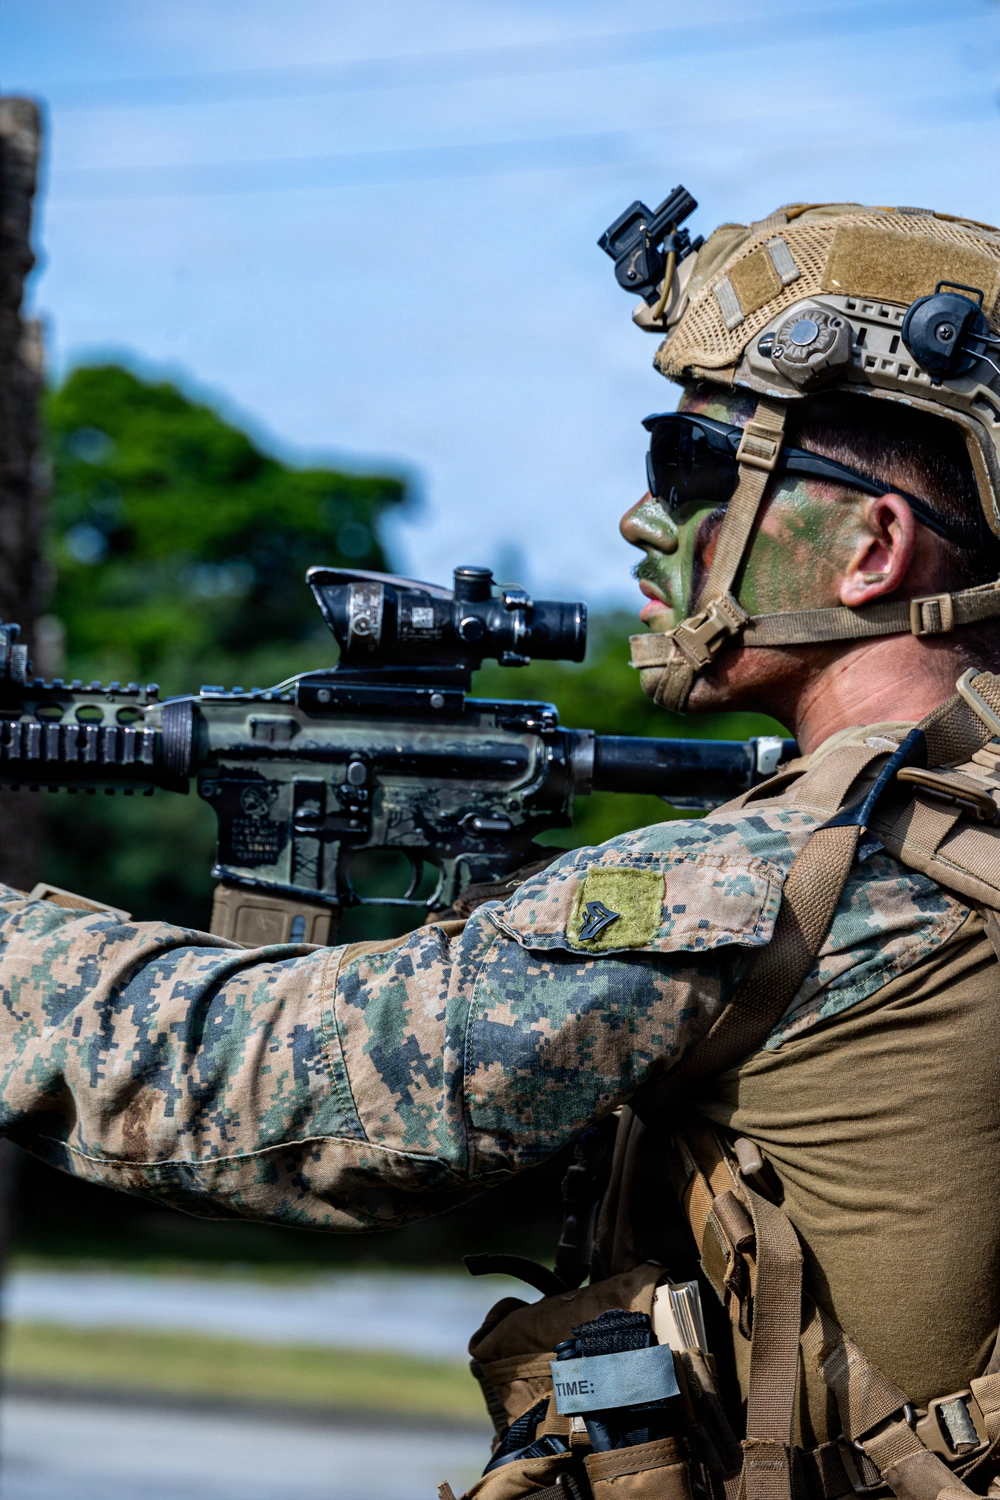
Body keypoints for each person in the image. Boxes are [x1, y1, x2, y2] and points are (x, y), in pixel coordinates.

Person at [6, 200, 1000, 1499]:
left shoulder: (788, 880)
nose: (644, 520)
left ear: (874, 549)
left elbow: (260, 1086)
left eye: (693, 468)